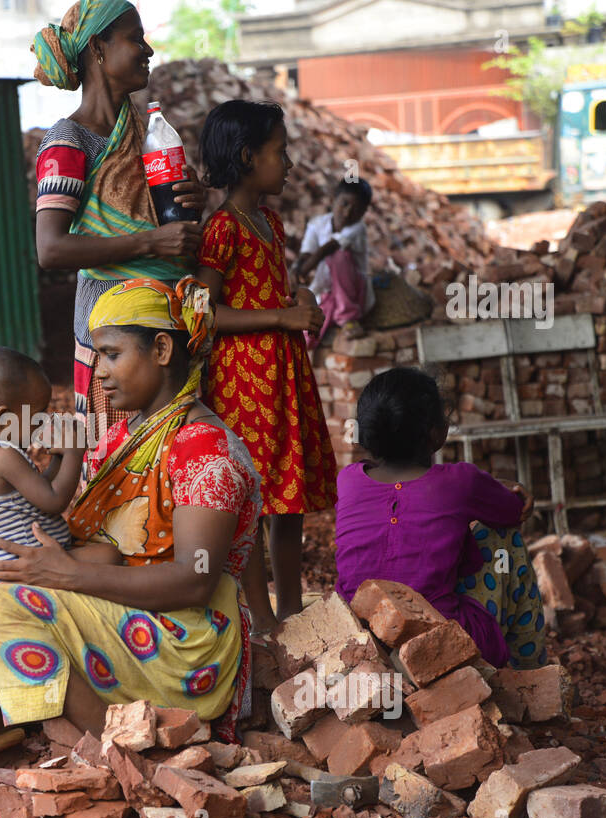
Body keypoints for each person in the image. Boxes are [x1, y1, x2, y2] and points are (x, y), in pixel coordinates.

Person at [0, 277, 262, 768]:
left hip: (182, 640)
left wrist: (66, 574)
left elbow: (195, 581)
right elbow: (71, 522)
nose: (100, 373)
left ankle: (129, 753)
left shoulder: (203, 446)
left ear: (162, 348)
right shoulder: (119, 436)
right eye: (97, 356)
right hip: (107, 607)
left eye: (113, 354)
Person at [31, 0, 205, 434]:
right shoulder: (69, 141)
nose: (148, 50)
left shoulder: (148, 135)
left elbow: (160, 221)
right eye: (135, 38)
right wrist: (151, 243)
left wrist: (194, 200)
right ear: (98, 49)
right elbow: (50, 249)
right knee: (123, 478)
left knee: (172, 471)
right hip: (114, 341)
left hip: (168, 326)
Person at [195, 99, 335, 630]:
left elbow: (278, 284)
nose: (290, 162)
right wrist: (282, 316)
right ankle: (262, 617)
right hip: (244, 379)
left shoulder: (268, 221)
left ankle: (292, 608)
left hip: (282, 373)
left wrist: (300, 297)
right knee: (255, 497)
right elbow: (204, 312)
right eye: (281, 151)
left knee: (288, 494)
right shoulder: (223, 228)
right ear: (249, 157)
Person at [334, 367, 546, 669]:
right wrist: (512, 486)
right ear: (436, 432)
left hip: (359, 641)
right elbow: (513, 511)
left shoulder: (348, 480)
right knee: (504, 537)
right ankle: (532, 672)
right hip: (438, 644)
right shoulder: (462, 481)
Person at [0, 346, 120, 582]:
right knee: (110, 556)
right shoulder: (2, 456)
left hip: (22, 564)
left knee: (103, 553)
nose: (44, 420)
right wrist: (75, 453)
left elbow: (39, 494)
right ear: (3, 419)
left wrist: (59, 457)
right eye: (38, 413)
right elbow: (53, 501)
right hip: (24, 571)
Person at [292, 178, 376, 347]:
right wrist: (295, 269)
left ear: (363, 212)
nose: (347, 213)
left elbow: (326, 250)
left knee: (338, 256)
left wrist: (300, 273)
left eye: (356, 209)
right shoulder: (317, 224)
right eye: (344, 204)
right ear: (333, 200)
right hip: (327, 291)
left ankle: (348, 318)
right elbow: (306, 253)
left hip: (353, 293)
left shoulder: (358, 228)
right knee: (305, 338)